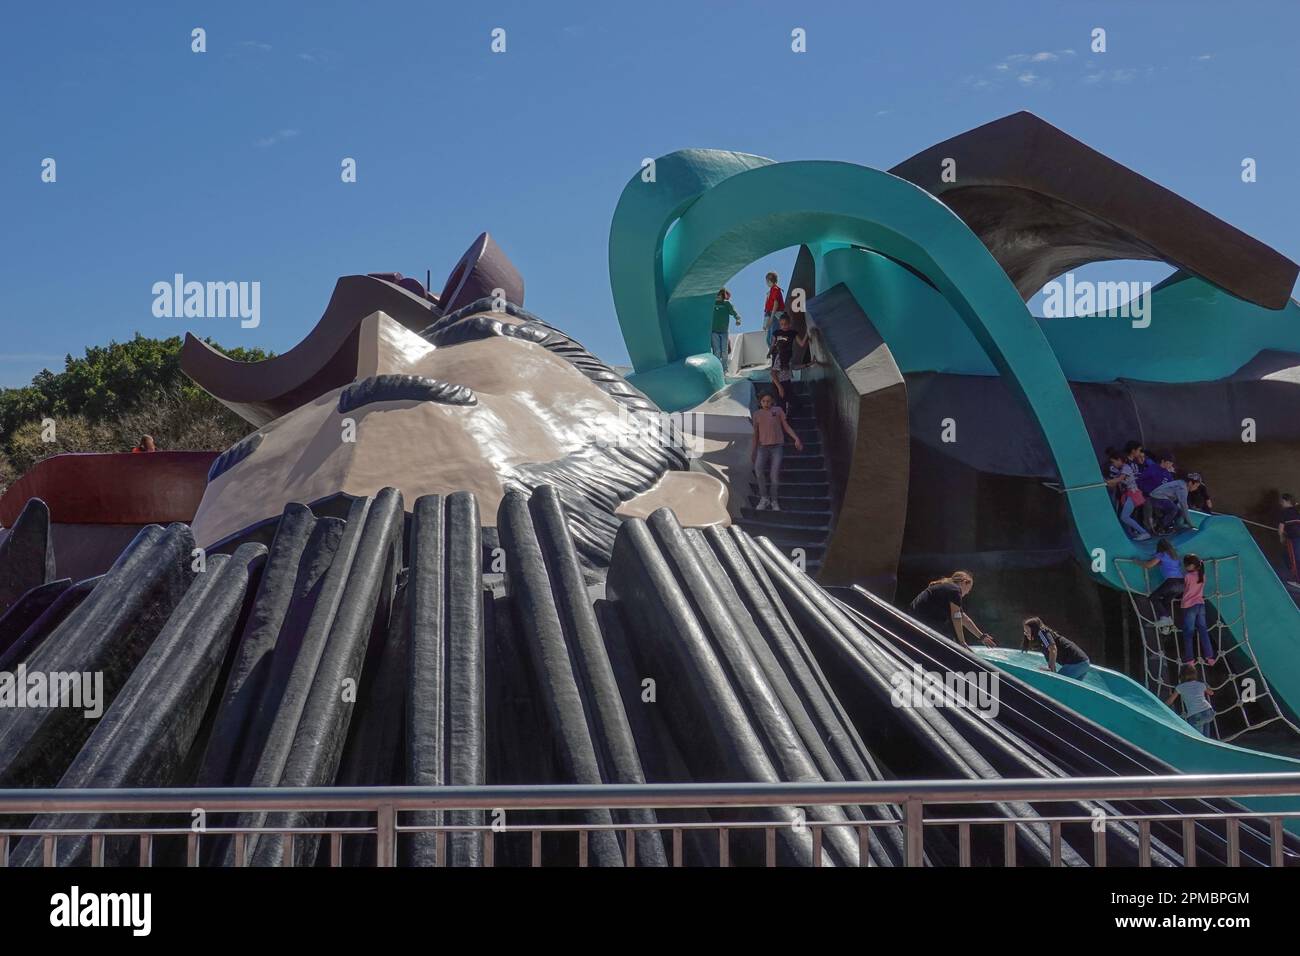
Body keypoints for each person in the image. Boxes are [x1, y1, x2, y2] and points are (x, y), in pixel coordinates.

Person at [907, 571, 997, 649]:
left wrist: (981, 636)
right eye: (969, 588)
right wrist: (961, 642)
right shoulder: (955, 590)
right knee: (950, 642)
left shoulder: (947, 588)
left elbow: (962, 617)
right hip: (923, 620)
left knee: (949, 637)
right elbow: (956, 617)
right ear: (964, 582)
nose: (968, 592)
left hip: (916, 618)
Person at [751, 392, 803, 511]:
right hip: (762, 447)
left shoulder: (778, 410)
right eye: (764, 401)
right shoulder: (757, 414)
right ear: (760, 402)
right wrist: (753, 451)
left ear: (772, 401)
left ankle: (774, 500)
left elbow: (786, 426)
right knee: (758, 471)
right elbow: (755, 434)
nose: (766, 403)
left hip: (776, 447)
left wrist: (796, 438)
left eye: (768, 401)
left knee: (774, 475)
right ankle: (764, 498)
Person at [1104, 447, 1151, 541]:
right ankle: (1135, 533)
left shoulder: (1126, 467)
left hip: (1133, 494)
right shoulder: (1119, 468)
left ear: (1119, 460)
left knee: (1124, 516)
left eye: (1114, 462)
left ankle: (1144, 533)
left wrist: (1106, 482)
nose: (1113, 464)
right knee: (1125, 516)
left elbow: (1119, 479)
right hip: (1128, 495)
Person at [1022, 617, 1091, 679]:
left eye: (1028, 631)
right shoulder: (1042, 639)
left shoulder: (1041, 633)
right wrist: (1051, 669)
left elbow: (1053, 649)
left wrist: (1051, 668)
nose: (1026, 633)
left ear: (1034, 629)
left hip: (1076, 662)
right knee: (1070, 690)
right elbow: (1051, 653)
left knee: (1058, 684)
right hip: (1083, 662)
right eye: (1025, 632)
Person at [1138, 538, 1183, 628]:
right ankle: (1167, 618)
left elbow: (1149, 565)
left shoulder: (1162, 554)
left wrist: (1136, 561)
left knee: (1153, 597)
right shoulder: (1175, 556)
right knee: (1165, 601)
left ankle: (1165, 619)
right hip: (1182, 584)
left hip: (1171, 582)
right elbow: (1169, 565)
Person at [1180, 554, 1215, 665]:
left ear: (1191, 565)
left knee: (1188, 632)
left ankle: (1190, 659)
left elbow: (1183, 587)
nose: (1184, 567)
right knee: (1203, 630)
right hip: (1200, 604)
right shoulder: (1202, 575)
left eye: (1186, 565)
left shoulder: (1187, 576)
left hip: (1189, 605)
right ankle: (1210, 657)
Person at [768, 314, 808, 409]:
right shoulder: (777, 333)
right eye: (782, 324)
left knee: (789, 397)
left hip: (787, 355)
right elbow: (773, 345)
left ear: (789, 324)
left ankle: (787, 410)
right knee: (781, 398)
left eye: (786, 324)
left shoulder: (792, 333)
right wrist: (770, 352)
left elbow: (801, 344)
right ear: (779, 324)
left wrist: (807, 333)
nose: (784, 326)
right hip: (779, 354)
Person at [1147, 452, 1194, 531]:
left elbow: (1181, 503)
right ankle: (1160, 528)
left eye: (1171, 465)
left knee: (1177, 509)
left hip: (1161, 496)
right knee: (1174, 509)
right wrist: (1190, 524)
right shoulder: (1182, 487)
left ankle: (1175, 525)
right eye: (1169, 464)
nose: (1170, 467)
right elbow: (1183, 505)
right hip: (1156, 497)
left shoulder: (1178, 481)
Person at [1165, 663, 1215, 737]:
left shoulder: (1180, 687)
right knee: (1205, 737)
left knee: (1198, 738)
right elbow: (1211, 693)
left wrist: (1162, 705)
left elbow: (1171, 700)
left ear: (1181, 675)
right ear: (1195, 674)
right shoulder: (1201, 684)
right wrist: (1206, 685)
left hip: (1195, 715)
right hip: (1208, 711)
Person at [710, 288, 741, 365]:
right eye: (716, 295)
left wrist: (738, 319)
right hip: (714, 331)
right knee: (717, 351)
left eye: (719, 295)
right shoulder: (712, 303)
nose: (718, 296)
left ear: (723, 295)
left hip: (724, 331)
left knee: (724, 351)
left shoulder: (726, 304)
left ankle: (724, 369)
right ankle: (718, 369)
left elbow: (734, 312)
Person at [1279, 493, 1300, 584]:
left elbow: (1280, 529)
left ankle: (1297, 581)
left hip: (1294, 539)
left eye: (1282, 501)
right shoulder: (1297, 510)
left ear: (1287, 501)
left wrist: (1281, 537)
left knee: (1294, 559)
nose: (1281, 503)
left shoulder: (1284, 512)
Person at [762, 271, 785, 347]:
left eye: (766, 281)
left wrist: (771, 317)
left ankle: (777, 355)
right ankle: (774, 355)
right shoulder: (771, 291)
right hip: (771, 315)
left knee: (773, 337)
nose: (766, 283)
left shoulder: (775, 289)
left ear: (769, 281)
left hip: (775, 316)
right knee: (769, 339)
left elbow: (776, 303)